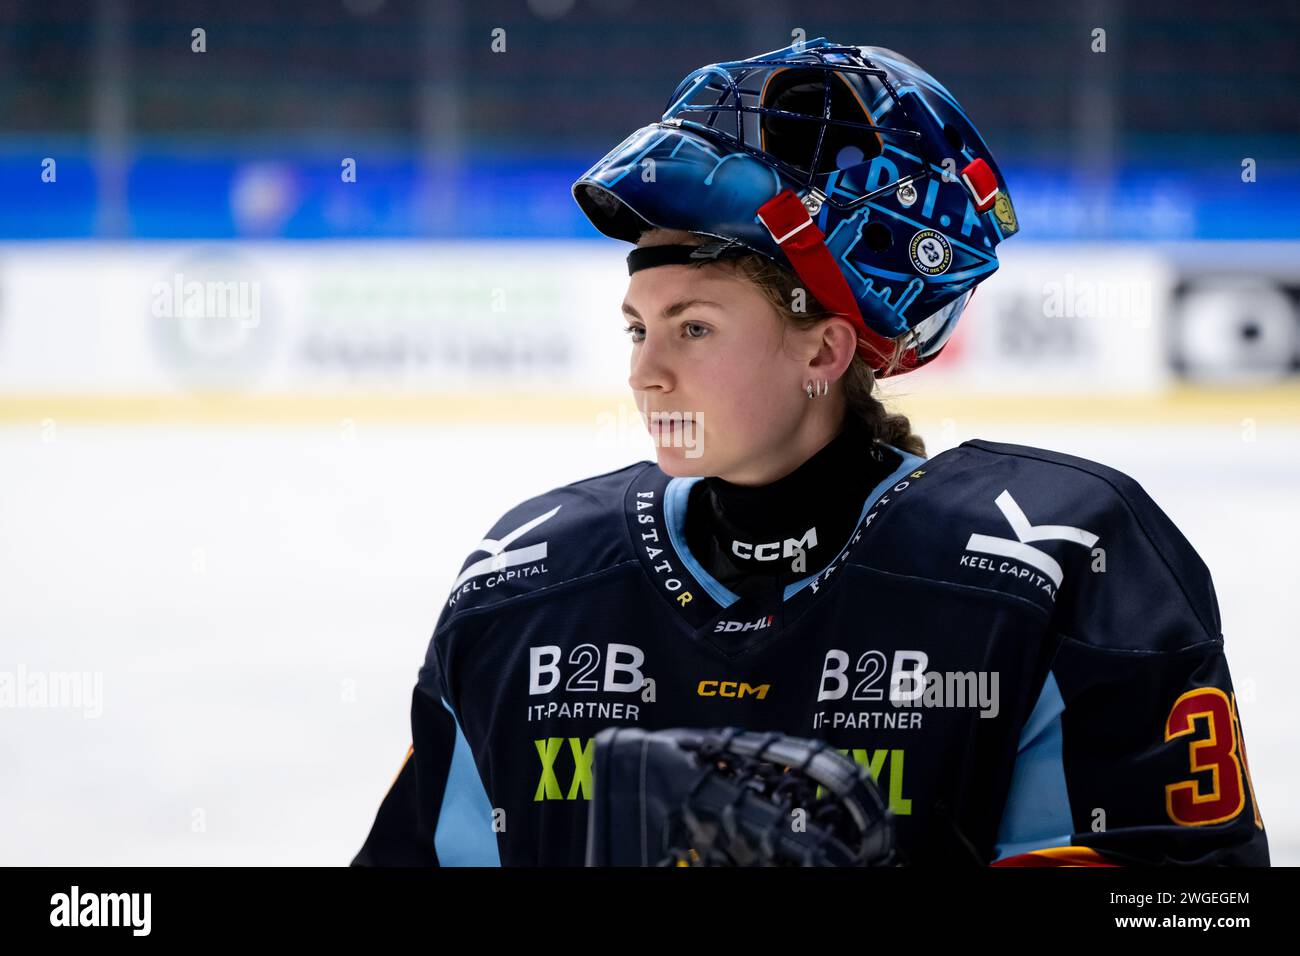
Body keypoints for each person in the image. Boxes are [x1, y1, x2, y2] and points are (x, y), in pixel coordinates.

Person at [352, 38, 1268, 866]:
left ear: (824, 350)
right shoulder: (524, 583)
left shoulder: (1057, 567)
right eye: (638, 329)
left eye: (695, 327)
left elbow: (1196, 898)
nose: (647, 376)